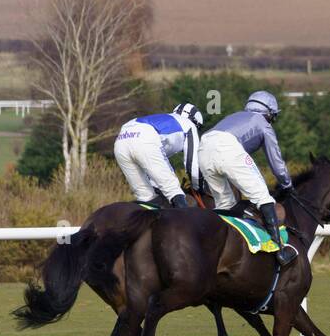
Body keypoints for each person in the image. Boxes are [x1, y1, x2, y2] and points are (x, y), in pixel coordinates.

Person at [198, 91, 295, 264]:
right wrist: (287, 184)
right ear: (269, 113)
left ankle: (217, 248)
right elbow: (276, 161)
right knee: (262, 197)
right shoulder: (263, 123)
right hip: (227, 146)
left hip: (204, 146)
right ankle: (280, 250)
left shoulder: (235, 116)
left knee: (225, 205)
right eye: (273, 117)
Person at [113, 102, 204, 208]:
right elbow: (193, 165)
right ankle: (186, 222)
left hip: (121, 138)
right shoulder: (189, 125)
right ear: (194, 121)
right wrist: (199, 187)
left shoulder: (165, 118)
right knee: (173, 190)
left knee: (146, 197)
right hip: (144, 138)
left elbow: (152, 167)